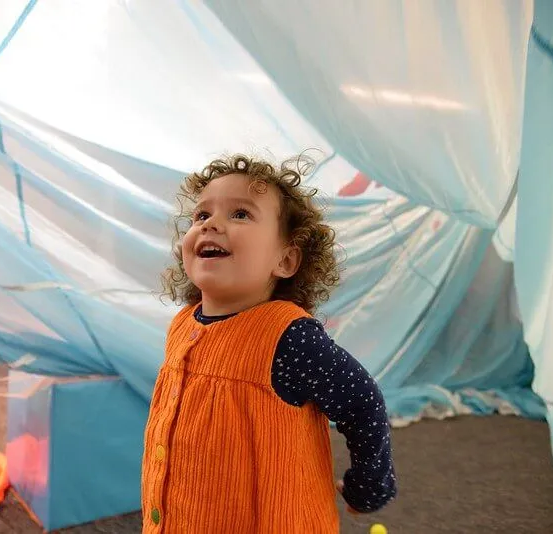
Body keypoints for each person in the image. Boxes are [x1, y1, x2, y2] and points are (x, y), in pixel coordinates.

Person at [141, 154, 396, 533]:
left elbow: (362, 401)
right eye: (200, 216)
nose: (211, 224)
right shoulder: (182, 325)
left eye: (240, 214)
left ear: (286, 259)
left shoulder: (290, 338)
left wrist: (369, 486)